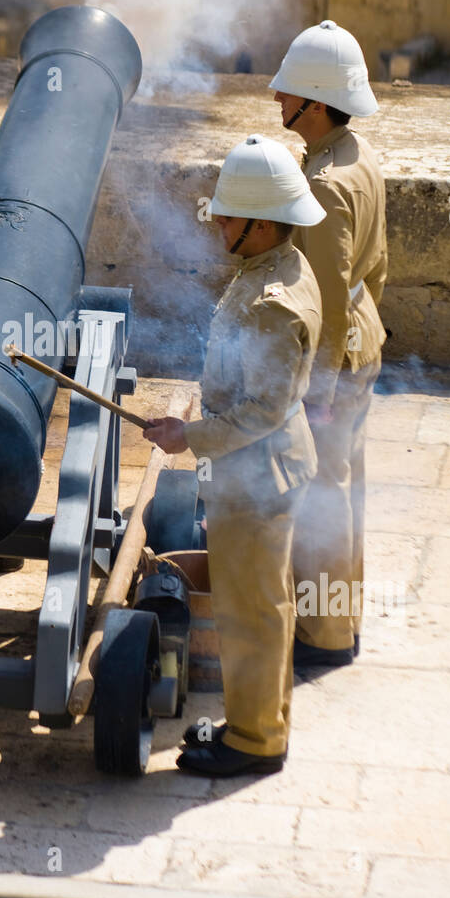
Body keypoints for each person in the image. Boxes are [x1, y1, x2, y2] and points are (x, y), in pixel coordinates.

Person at [144, 135, 324, 778]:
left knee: (251, 608)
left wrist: (188, 437)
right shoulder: (272, 272)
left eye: (228, 213)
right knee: (262, 602)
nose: (216, 221)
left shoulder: (272, 305)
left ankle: (254, 742)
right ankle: (259, 722)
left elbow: (261, 412)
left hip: (259, 474)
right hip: (260, 469)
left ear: (263, 221)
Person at [270, 20, 387, 667]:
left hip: (334, 362)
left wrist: (317, 391)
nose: (277, 100)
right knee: (348, 484)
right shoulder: (357, 157)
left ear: (314, 104)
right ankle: (345, 619)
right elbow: (379, 269)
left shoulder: (323, 185)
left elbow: (330, 295)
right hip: (363, 345)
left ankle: (323, 637)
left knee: (323, 493)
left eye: (287, 93)